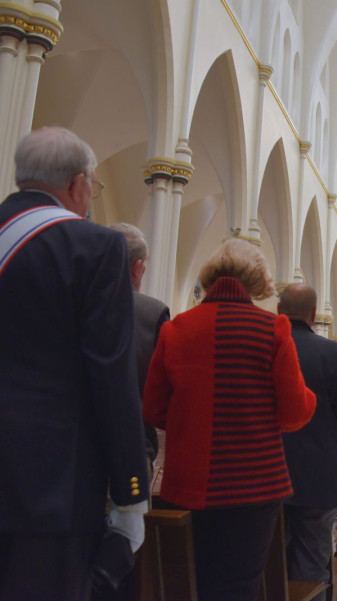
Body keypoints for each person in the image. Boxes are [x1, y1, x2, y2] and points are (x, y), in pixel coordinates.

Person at [0, 127, 149, 600]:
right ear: (78, 184)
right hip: (49, 487)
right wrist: (130, 494)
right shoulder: (95, 247)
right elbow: (111, 376)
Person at [143, 239, 317, 600]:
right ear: (257, 279)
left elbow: (153, 410)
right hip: (254, 484)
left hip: (188, 482)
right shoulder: (272, 329)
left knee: (188, 582)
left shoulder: (175, 329)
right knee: (237, 586)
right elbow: (294, 412)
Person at [277, 284, 337, 596]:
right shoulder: (334, 354)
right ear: (314, 315)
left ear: (278, 310)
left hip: (264, 472)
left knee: (265, 564)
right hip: (316, 476)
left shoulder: (262, 347)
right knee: (311, 565)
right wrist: (331, 435)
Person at [108, 223, 170, 470]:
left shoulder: (69, 303)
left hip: (70, 448)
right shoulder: (153, 314)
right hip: (131, 447)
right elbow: (164, 387)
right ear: (137, 268)